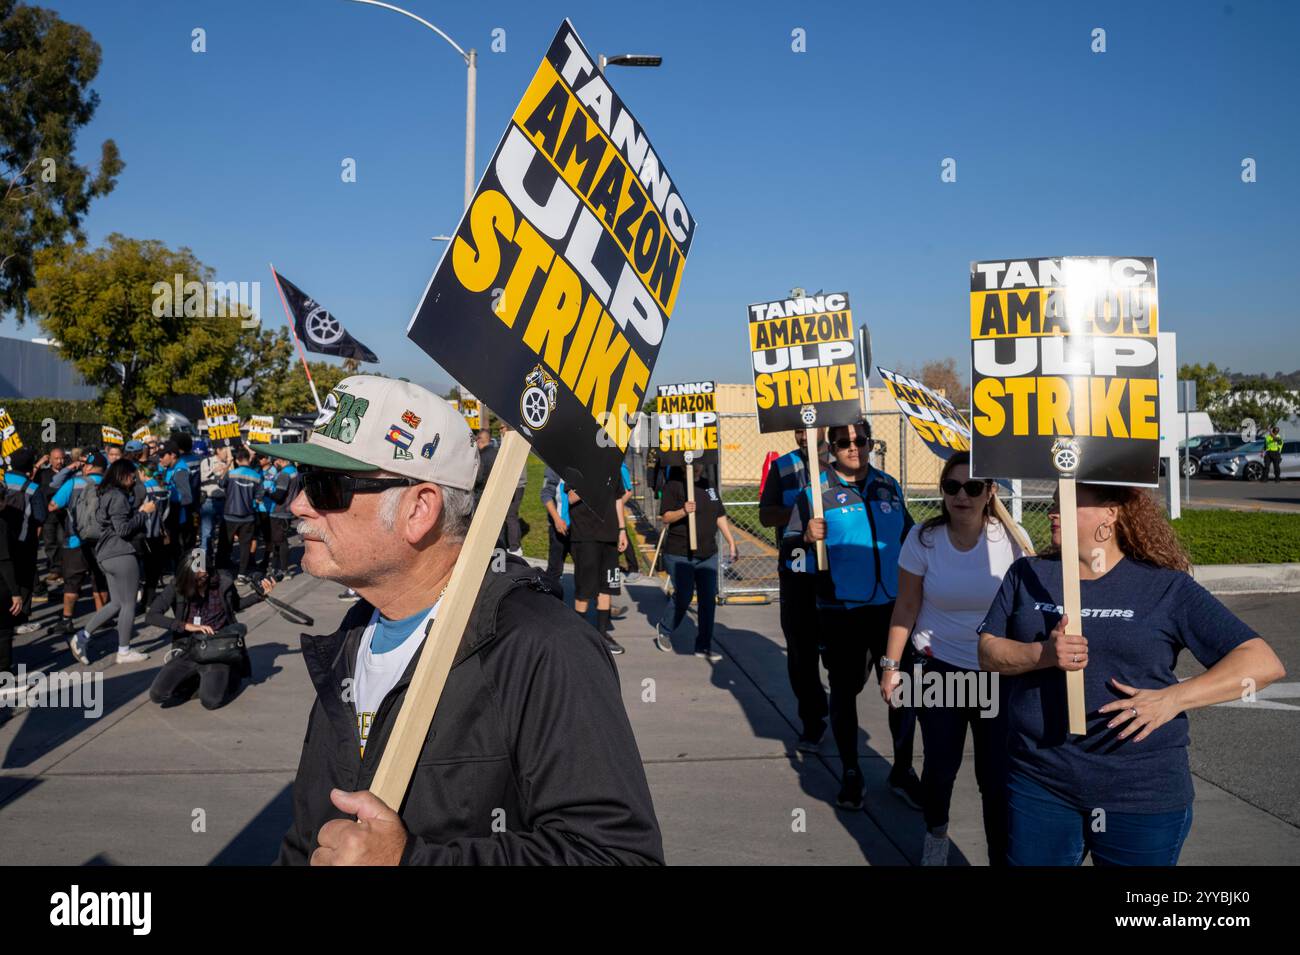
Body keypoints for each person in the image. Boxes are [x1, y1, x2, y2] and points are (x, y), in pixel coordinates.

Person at [253, 375, 661, 865]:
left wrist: (409, 862)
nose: (298, 504)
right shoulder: (351, 640)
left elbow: (616, 855)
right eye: (302, 479)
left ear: (419, 509)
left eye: (325, 487)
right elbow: (310, 838)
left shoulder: (543, 647)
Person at [978, 483, 1286, 866]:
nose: (1053, 512)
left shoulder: (1164, 586)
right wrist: (1043, 653)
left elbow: (1261, 662)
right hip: (1040, 784)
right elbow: (988, 653)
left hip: (1140, 793)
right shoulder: (1027, 574)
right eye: (1054, 504)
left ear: (1111, 514)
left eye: (1069, 504)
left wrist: (1174, 699)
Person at [881, 452, 1027, 866]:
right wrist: (891, 667)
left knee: (996, 777)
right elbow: (906, 606)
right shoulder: (924, 539)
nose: (962, 495)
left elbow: (1026, 608)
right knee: (940, 767)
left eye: (973, 487)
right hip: (937, 667)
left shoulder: (1011, 540)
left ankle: (1000, 853)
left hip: (993, 672)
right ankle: (936, 834)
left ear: (989, 493)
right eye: (952, 487)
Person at [799, 419, 921, 811]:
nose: (854, 447)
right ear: (831, 447)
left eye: (861, 440)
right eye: (844, 442)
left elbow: (910, 537)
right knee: (845, 690)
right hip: (842, 612)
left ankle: (902, 770)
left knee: (901, 691)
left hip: (891, 610)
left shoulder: (888, 485)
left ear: (870, 443)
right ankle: (851, 772)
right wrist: (805, 539)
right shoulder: (815, 494)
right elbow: (790, 558)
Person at [759, 427, 829, 750]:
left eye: (811, 430)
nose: (804, 437)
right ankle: (812, 719)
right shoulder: (782, 467)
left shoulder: (839, 462)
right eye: (799, 431)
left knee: (841, 656)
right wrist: (801, 515)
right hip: (797, 572)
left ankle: (837, 703)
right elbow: (765, 515)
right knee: (801, 656)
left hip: (836, 576)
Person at [147, 547, 274, 709]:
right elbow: (152, 615)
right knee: (158, 695)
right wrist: (186, 626)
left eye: (203, 577)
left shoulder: (222, 582)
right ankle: (196, 680)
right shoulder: (178, 585)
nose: (200, 582)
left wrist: (259, 596)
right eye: (195, 579)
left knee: (211, 701)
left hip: (217, 649)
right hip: (190, 648)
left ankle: (226, 675)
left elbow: (236, 605)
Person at [68, 458, 157, 665]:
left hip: (105, 554)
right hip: (121, 554)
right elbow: (124, 529)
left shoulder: (104, 494)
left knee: (116, 603)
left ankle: (82, 637)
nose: (134, 480)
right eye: (132, 476)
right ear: (123, 476)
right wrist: (144, 513)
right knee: (128, 604)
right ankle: (124, 650)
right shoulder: (117, 496)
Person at [653, 463, 737, 662]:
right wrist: (683, 510)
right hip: (680, 553)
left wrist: (731, 542)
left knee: (708, 599)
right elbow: (665, 517)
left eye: (700, 463)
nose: (697, 467)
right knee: (684, 595)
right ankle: (664, 629)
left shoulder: (709, 486)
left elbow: (719, 514)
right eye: (692, 463)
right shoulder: (674, 485)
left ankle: (703, 646)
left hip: (708, 554)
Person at [47, 450, 110, 637]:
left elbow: (53, 505)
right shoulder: (110, 485)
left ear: (88, 466)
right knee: (100, 579)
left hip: (75, 540)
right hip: (103, 541)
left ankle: (67, 620)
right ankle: (103, 617)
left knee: (72, 583)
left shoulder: (74, 483)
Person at [567, 478, 628, 655]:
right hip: (586, 535)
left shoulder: (612, 465)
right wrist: (593, 481)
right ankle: (579, 637)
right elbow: (571, 497)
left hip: (609, 534)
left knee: (606, 587)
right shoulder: (578, 467)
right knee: (585, 589)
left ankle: (601, 635)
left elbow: (618, 500)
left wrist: (622, 530)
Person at [2, 448, 47, 636]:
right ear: (30, 465)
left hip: (3, 539)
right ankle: (20, 619)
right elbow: (40, 516)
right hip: (24, 541)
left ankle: (5, 617)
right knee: (25, 581)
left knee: (6, 579)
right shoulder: (33, 488)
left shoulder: (2, 482)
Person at [218, 446, 263, 581]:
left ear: (237, 460)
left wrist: (227, 466)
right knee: (245, 546)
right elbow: (259, 497)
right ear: (249, 459)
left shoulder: (231, 474)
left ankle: (222, 572)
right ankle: (242, 574)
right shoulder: (257, 476)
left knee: (225, 544)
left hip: (229, 515)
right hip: (248, 516)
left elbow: (221, 483)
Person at [159, 441, 194, 570]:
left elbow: (186, 497)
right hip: (173, 512)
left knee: (185, 546)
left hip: (180, 514)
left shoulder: (180, 470)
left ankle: (192, 573)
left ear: (173, 455)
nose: (160, 458)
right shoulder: (170, 468)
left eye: (163, 455)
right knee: (175, 546)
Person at [266, 456, 300, 579]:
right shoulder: (294, 470)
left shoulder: (284, 474)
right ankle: (276, 567)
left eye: (275, 462)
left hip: (279, 511)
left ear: (280, 460)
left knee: (280, 541)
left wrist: (268, 491)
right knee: (278, 540)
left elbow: (279, 496)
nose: (275, 464)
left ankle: (284, 570)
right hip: (287, 510)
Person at [539, 466, 571, 586]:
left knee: (585, 569)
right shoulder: (554, 467)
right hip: (559, 525)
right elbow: (546, 494)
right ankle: (550, 600)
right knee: (554, 569)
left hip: (581, 526)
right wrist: (557, 519)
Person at [198, 442, 229, 555]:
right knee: (206, 534)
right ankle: (200, 566)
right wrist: (213, 471)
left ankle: (219, 564)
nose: (228, 453)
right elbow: (201, 479)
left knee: (223, 534)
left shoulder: (228, 463)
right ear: (218, 450)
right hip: (208, 501)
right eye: (226, 451)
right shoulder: (207, 462)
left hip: (224, 502)